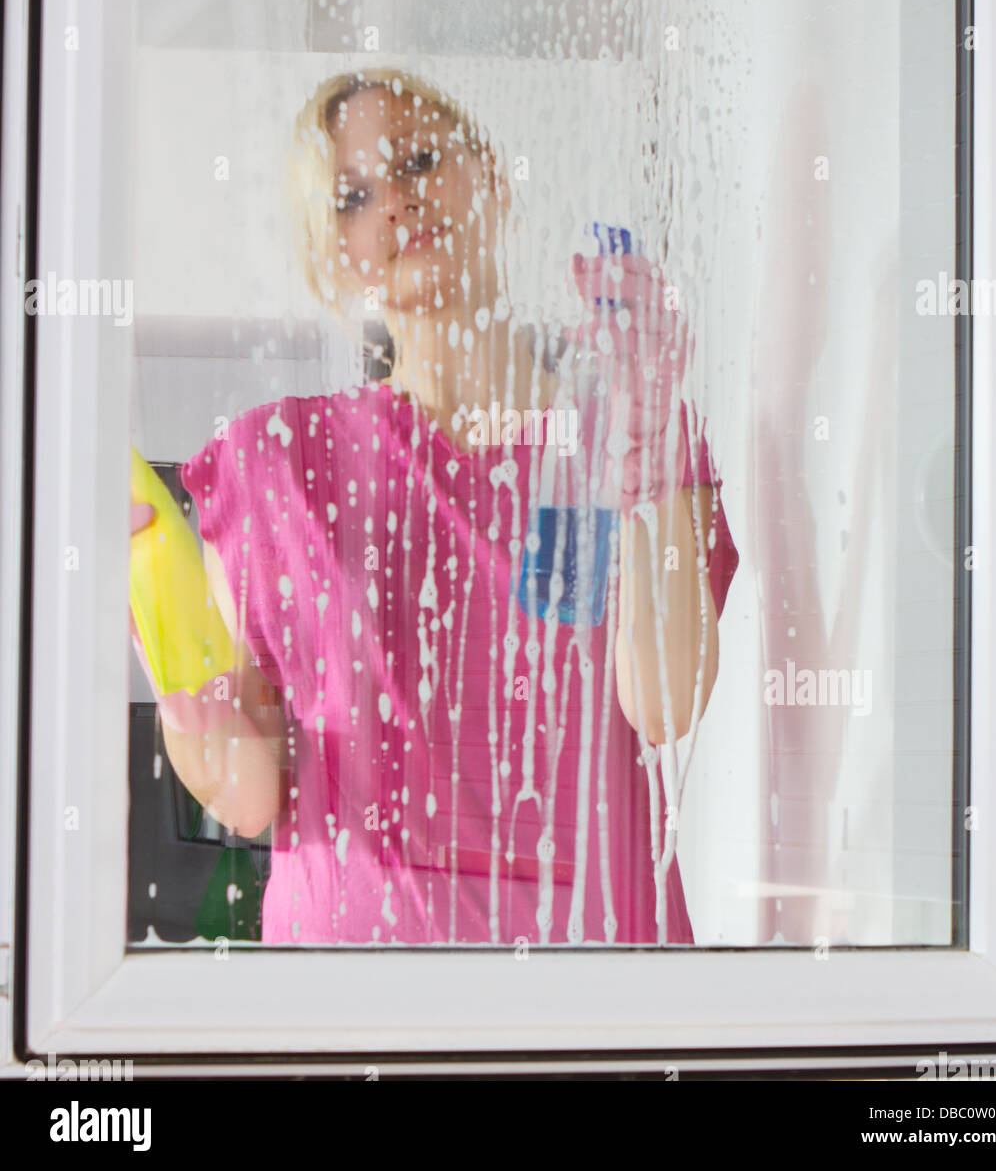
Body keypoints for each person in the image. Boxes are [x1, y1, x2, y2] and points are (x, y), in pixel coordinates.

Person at [129, 67, 739, 945]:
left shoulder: (624, 424)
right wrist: (166, 637)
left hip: (599, 991)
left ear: (488, 174)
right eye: (352, 196)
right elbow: (252, 792)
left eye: (419, 161)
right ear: (331, 254)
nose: (397, 202)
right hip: (354, 1006)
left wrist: (640, 468)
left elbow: (667, 703)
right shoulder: (278, 467)